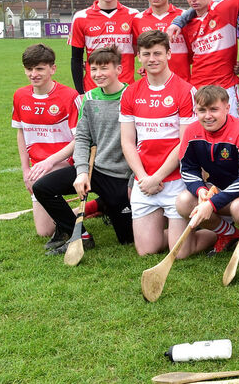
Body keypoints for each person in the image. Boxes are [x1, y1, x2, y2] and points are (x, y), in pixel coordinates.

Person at [33, 46, 135, 254]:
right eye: (94, 69)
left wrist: (133, 180)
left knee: (127, 240)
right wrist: (81, 172)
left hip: (121, 177)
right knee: (43, 187)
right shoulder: (88, 98)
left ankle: (104, 204)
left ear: (119, 69)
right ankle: (79, 234)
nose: (98, 74)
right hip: (94, 170)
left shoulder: (131, 96)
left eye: (104, 68)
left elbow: (141, 145)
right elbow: (82, 139)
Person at [119, 30, 198, 256]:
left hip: (175, 180)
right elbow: (127, 141)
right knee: (146, 250)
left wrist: (158, 177)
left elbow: (185, 143)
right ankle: (175, 233)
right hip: (144, 180)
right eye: (146, 54)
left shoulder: (185, 91)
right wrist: (144, 178)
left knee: (180, 253)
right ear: (139, 57)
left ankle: (218, 234)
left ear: (169, 54)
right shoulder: (130, 93)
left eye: (157, 53)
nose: (152, 59)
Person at [174, 85, 239, 256]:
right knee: (183, 201)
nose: (208, 116)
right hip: (217, 188)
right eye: (202, 110)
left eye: (214, 109)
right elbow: (188, 168)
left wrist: (212, 204)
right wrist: (201, 190)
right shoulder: (192, 131)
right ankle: (227, 233)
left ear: (227, 108)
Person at [12, 44, 83, 239]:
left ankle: (92, 208)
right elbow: (21, 134)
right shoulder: (20, 96)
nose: (33, 74)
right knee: (44, 232)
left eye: (39, 68)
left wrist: (49, 162)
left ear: (52, 69)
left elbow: (80, 140)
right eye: (29, 69)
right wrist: (25, 170)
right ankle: (92, 209)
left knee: (40, 179)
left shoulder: (69, 96)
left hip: (67, 163)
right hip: (38, 168)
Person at [68, 0, 139, 93]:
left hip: (126, 89)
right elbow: (76, 59)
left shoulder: (133, 15)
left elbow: (138, 51)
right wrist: (79, 92)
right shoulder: (80, 17)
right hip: (93, 89)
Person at [132, 0, 191, 81]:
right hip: (152, 84)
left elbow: (193, 53)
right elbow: (139, 52)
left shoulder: (183, 17)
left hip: (181, 83)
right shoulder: (137, 19)